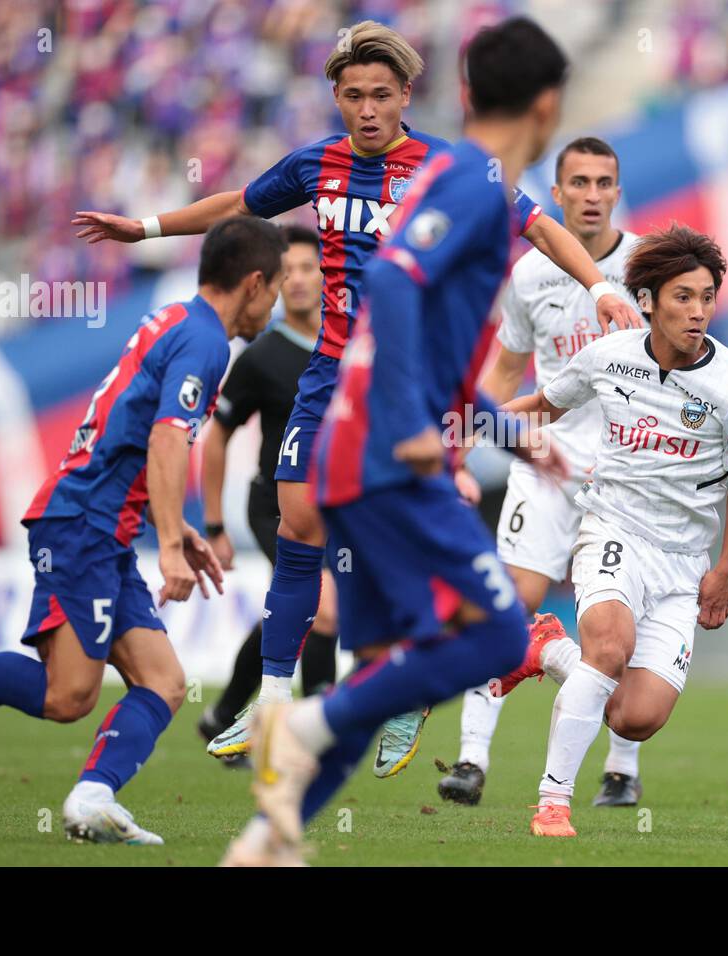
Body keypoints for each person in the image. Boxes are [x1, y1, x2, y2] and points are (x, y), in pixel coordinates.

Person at [72, 20, 640, 776]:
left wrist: (600, 286)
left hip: (406, 377)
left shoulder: (447, 169)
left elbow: (537, 227)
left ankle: (406, 684)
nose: (366, 109)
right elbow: (241, 203)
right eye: (351, 96)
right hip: (330, 372)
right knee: (298, 518)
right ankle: (275, 701)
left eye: (380, 94)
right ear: (336, 99)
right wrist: (143, 229)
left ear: (407, 95)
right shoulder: (319, 165)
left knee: (400, 534)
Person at [222, 16, 579, 867]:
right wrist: (425, 430)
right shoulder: (471, 180)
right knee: (496, 637)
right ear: (549, 103)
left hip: (363, 445)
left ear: (456, 95)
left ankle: (270, 838)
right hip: (385, 454)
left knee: (383, 667)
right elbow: (395, 280)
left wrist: (501, 429)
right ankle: (297, 719)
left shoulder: (448, 175)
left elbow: (425, 337)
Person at [0, 217, 283, 844]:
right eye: (273, 292)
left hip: (101, 519)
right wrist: (165, 543)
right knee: (68, 696)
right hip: (83, 522)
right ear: (254, 282)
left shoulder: (177, 320)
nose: (273, 307)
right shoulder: (207, 343)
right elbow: (165, 437)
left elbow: (131, 432)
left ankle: (92, 796)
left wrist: (172, 522)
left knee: (164, 681)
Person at [492, 224, 728, 837]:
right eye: (682, 297)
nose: (697, 312)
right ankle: (553, 802)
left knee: (634, 718)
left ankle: (543, 648)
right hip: (613, 527)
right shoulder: (607, 356)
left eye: (706, 297)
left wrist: (725, 572)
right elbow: (543, 405)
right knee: (609, 648)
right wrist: (455, 425)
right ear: (647, 301)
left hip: (684, 561)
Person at [438, 136, 647, 808]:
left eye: (602, 182)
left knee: (619, 621)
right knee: (510, 599)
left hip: (627, 466)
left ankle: (621, 765)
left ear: (618, 190)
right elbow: (503, 370)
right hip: (547, 456)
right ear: (555, 195)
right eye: (577, 183)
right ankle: (471, 758)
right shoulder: (530, 274)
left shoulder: (648, 264)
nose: (590, 195)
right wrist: (463, 446)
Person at [196, 225, 338, 763]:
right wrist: (214, 524)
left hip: (336, 504)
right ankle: (319, 728)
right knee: (322, 608)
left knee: (305, 610)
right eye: (289, 272)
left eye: (310, 268)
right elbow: (217, 437)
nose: (300, 280)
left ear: (329, 276)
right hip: (275, 503)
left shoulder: (349, 346)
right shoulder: (261, 355)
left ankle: (226, 710)